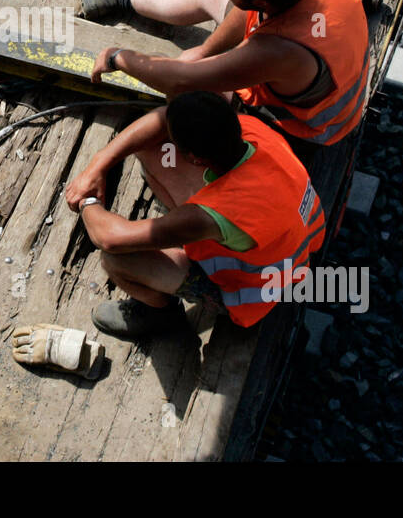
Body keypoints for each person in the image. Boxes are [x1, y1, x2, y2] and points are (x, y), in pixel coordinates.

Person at [65, 91, 327, 339]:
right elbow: (161, 119)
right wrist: (98, 164)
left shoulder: (209, 216)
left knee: (116, 259)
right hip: (292, 243)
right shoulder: (252, 130)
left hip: (257, 290)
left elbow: (109, 238)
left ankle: (161, 314)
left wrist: (86, 199)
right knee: (150, 148)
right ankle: (182, 242)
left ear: (196, 159)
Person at [80, 0, 370, 148]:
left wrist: (116, 57)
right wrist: (205, 50)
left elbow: (180, 80)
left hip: (312, 126)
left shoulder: (280, 50)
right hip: (321, 63)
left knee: (186, 97)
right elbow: (245, 13)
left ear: (259, 1)